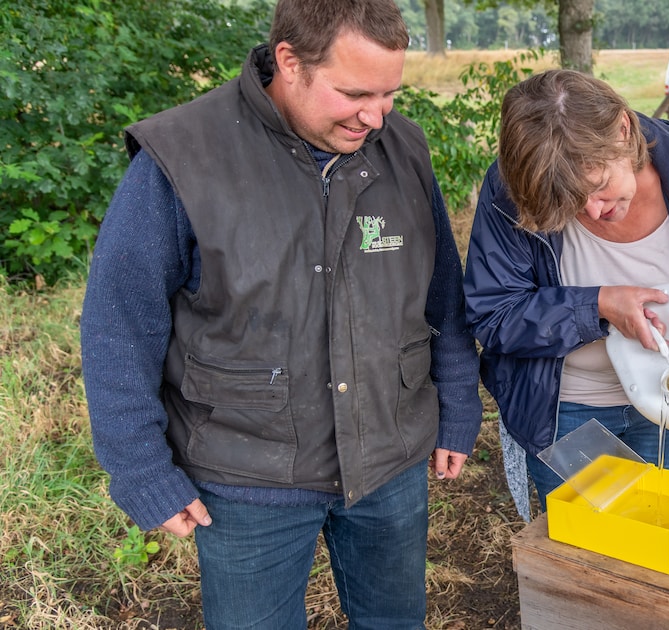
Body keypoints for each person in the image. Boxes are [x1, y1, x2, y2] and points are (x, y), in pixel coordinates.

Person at [79, 1, 482, 627]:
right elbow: (118, 328)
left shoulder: (402, 146)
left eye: (390, 94)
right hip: (244, 479)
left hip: (390, 460)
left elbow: (442, 297)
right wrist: (140, 471)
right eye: (354, 93)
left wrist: (458, 408)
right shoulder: (183, 156)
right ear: (289, 61)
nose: (376, 117)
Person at [463, 69, 669, 510]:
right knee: (583, 559)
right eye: (567, 202)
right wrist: (598, 304)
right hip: (565, 409)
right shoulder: (516, 186)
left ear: (624, 130)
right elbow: (494, 313)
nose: (592, 211)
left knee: (659, 543)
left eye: (599, 186)